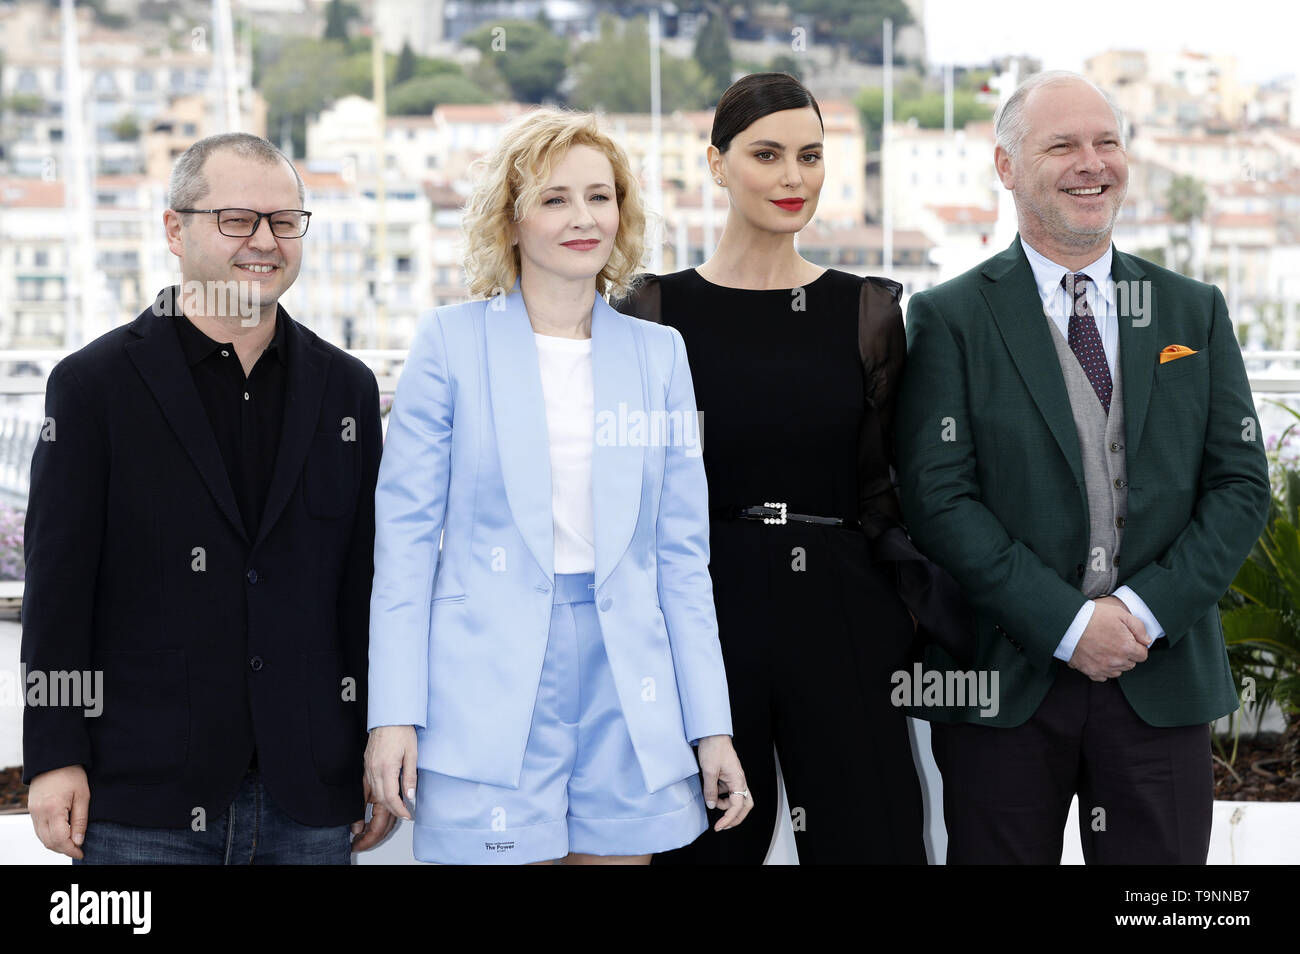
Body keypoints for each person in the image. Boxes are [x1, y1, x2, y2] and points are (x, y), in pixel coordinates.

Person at [895, 71, 1271, 864]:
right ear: (1006, 166)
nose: (1090, 162)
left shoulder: (1191, 310)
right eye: (1061, 144)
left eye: (1106, 142)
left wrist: (1140, 612)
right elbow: (938, 499)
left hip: (1159, 678)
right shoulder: (948, 317)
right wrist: (1066, 625)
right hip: (1004, 683)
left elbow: (1240, 485)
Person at [364, 107, 749, 865]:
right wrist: (393, 715)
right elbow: (403, 549)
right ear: (510, 221)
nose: (584, 218)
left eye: (600, 197)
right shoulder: (449, 344)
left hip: (629, 688)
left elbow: (682, 559)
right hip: (485, 688)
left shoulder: (660, 355)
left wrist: (712, 727)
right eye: (554, 198)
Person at [22, 132, 390, 864]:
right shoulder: (92, 388)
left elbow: (365, 588)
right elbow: (58, 590)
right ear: (173, 228)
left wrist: (376, 739)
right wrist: (53, 755)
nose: (265, 240)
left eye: (285, 221)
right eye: (237, 219)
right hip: (139, 797)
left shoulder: (347, 388)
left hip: (312, 794)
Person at [615, 72, 945, 864]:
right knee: (698, 850)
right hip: (700, 613)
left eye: (810, 156)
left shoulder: (868, 310)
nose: (794, 177)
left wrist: (892, 617)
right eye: (767, 154)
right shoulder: (651, 310)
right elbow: (630, 492)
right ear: (717, 164)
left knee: (875, 843)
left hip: (843, 614)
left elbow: (884, 483)